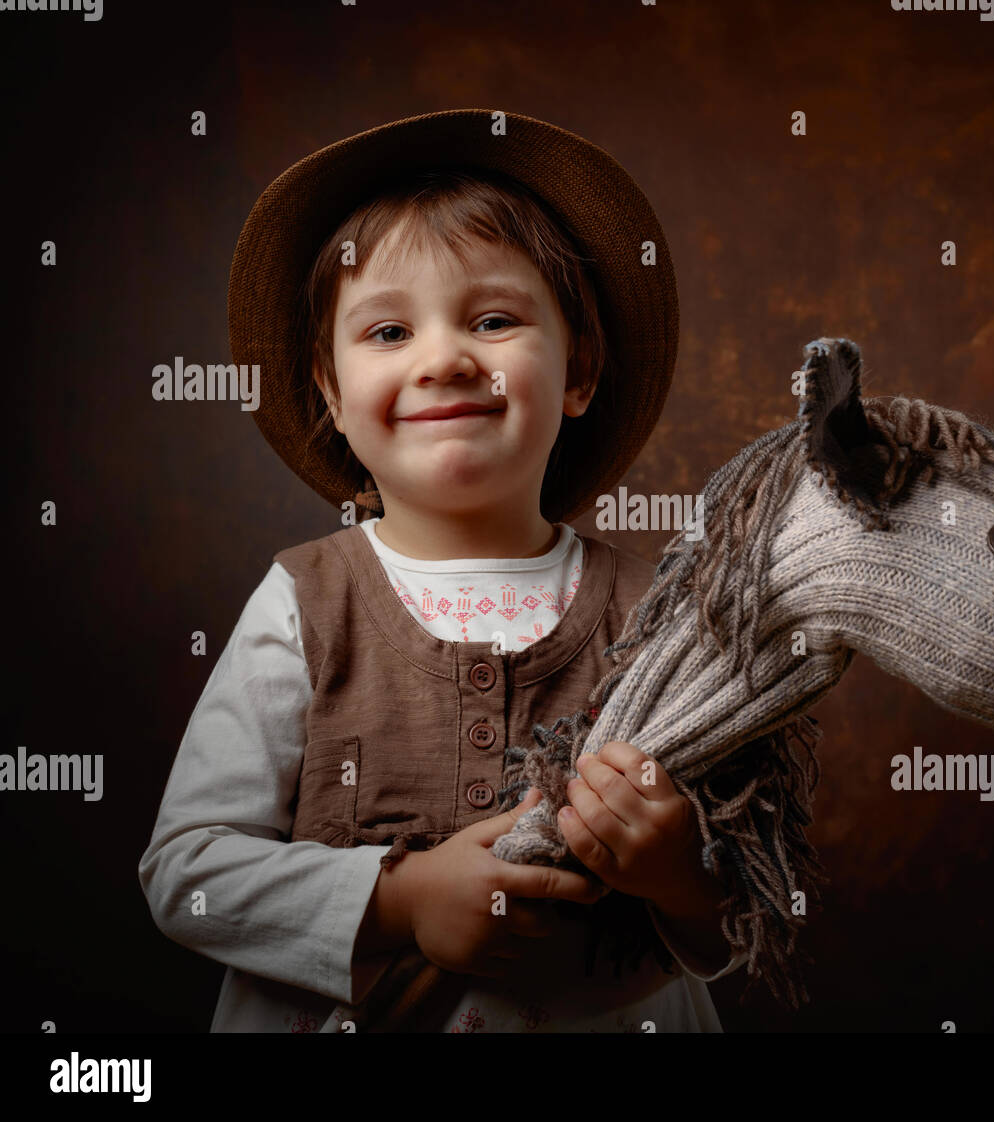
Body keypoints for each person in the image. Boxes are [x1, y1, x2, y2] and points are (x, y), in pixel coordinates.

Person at [138, 110, 750, 1033]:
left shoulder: (665, 615)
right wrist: (399, 901)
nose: (444, 359)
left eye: (495, 319)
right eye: (388, 332)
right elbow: (187, 875)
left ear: (578, 371)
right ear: (332, 394)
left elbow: (748, 907)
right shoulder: (302, 608)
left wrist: (682, 875)